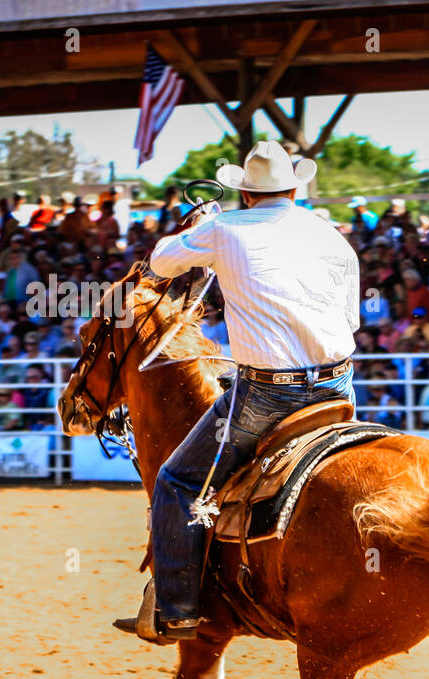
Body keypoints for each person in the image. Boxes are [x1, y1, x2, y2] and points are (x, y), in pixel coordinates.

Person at [117, 140, 359, 641]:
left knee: (178, 482)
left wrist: (202, 227)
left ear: (245, 193)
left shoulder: (225, 229)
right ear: (295, 188)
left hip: (267, 396)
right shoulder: (331, 234)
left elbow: (160, 263)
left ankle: (177, 608)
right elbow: (351, 317)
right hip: (337, 384)